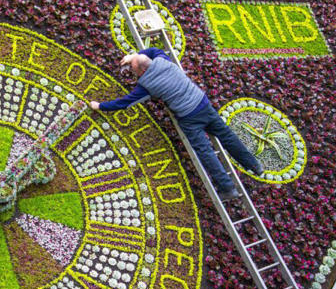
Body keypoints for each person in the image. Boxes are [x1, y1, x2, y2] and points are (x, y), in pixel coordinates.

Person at [89, 48, 263, 201]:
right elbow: (153, 50)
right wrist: (135, 56)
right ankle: (254, 166)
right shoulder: (163, 60)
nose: (134, 73)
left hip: (189, 116)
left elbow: (125, 103)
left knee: (205, 151)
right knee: (227, 136)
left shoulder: (146, 85)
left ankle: (227, 188)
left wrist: (100, 106)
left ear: (141, 72)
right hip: (202, 102)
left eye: (134, 70)